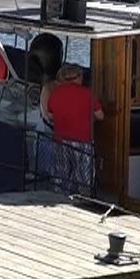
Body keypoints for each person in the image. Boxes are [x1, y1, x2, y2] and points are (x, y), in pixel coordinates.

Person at [44, 63, 103, 195]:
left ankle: (58, 196)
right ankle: (83, 199)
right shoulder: (87, 93)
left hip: (60, 140)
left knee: (61, 173)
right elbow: (100, 115)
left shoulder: (56, 93)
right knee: (83, 175)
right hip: (82, 140)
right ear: (78, 77)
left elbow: (50, 115)